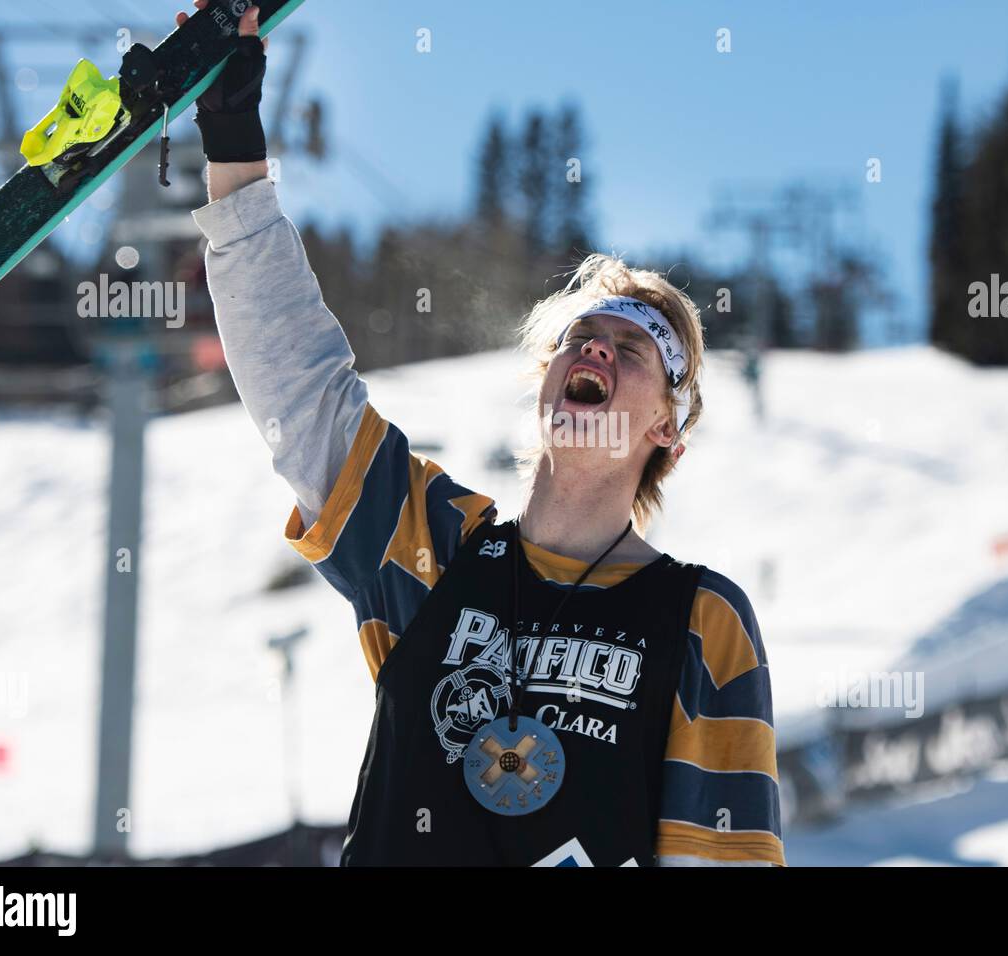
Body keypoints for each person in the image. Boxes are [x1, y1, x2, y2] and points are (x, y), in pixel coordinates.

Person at [179, 0, 783, 866]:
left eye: (632, 350)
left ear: (666, 433)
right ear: (546, 380)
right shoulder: (438, 548)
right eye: (583, 338)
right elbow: (298, 386)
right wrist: (233, 134)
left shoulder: (698, 620)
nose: (597, 352)